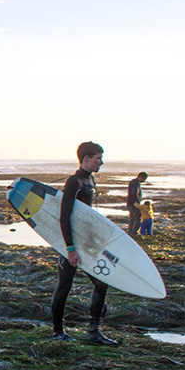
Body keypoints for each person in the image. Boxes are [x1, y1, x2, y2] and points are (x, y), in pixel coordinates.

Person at [51, 141, 114, 344]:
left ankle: (93, 330)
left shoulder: (90, 180)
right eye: (98, 158)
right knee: (64, 286)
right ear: (86, 158)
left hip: (86, 243)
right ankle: (58, 332)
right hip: (71, 244)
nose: (101, 162)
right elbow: (64, 217)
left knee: (101, 282)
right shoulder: (74, 182)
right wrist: (70, 249)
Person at [126, 171, 148, 236]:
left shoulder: (132, 182)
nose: (144, 181)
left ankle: (130, 232)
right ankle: (133, 232)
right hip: (133, 203)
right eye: (144, 179)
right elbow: (134, 193)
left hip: (130, 202)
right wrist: (138, 202)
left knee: (132, 217)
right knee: (137, 217)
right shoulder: (135, 183)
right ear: (141, 177)